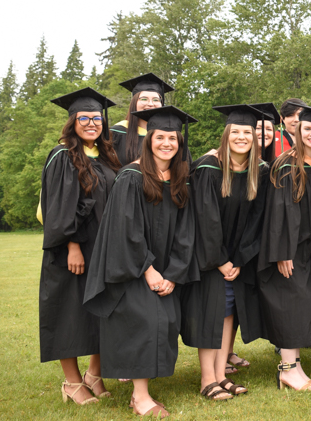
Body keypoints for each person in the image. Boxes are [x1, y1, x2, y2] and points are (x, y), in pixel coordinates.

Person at [83, 106, 198, 418]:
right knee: (146, 320)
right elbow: (126, 230)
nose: (166, 143)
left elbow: (186, 232)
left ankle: (129, 386)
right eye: (160, 137)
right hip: (131, 269)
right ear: (149, 140)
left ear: (180, 143)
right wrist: (149, 270)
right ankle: (140, 397)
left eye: (172, 139)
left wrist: (173, 273)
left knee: (166, 320)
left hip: (166, 271)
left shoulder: (181, 179)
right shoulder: (131, 177)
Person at [181, 105, 271, 401]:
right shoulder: (209, 168)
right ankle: (207, 379)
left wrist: (240, 259)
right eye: (236, 132)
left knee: (228, 312)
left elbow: (258, 219)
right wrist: (220, 260)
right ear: (226, 135)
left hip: (237, 258)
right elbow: (204, 217)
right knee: (212, 313)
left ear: (254, 138)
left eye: (247, 132)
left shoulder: (259, 171)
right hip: (210, 256)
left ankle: (221, 375)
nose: (242, 137)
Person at [39, 88, 121, 405]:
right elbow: (60, 206)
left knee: (104, 309)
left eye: (96, 118)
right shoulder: (62, 156)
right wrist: (72, 245)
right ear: (73, 121)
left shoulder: (106, 156)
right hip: (73, 250)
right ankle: (72, 383)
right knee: (69, 313)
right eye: (84, 118)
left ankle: (94, 375)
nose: (91, 123)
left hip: (103, 248)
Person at [257, 105, 311, 391]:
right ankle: (288, 370)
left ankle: (294, 366)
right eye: (308, 128)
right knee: (290, 306)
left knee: (300, 305)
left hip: (305, 245)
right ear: (298, 130)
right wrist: (282, 252)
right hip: (286, 248)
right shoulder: (286, 164)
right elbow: (278, 212)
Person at [109, 73, 173, 166]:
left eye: (156, 100)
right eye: (144, 99)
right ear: (134, 102)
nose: (150, 104)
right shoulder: (116, 132)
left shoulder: (170, 135)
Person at [251, 102, 281, 168]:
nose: (264, 133)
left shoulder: (277, 165)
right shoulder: (241, 164)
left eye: (269, 129)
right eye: (258, 128)